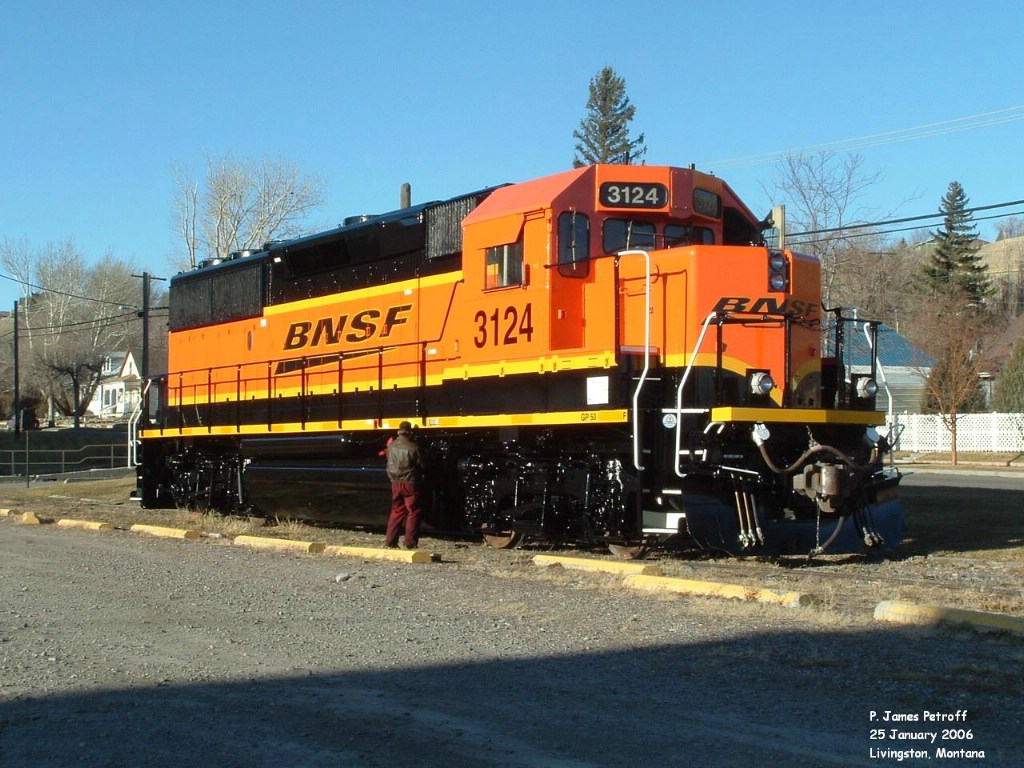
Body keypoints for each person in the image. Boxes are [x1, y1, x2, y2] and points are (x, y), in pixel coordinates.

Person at [384, 421, 423, 549]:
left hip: (395, 482)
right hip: (410, 482)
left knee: (396, 510)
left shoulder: (391, 447)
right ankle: (410, 543)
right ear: (410, 432)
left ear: (398, 432)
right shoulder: (413, 447)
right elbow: (422, 465)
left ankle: (390, 541)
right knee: (413, 511)